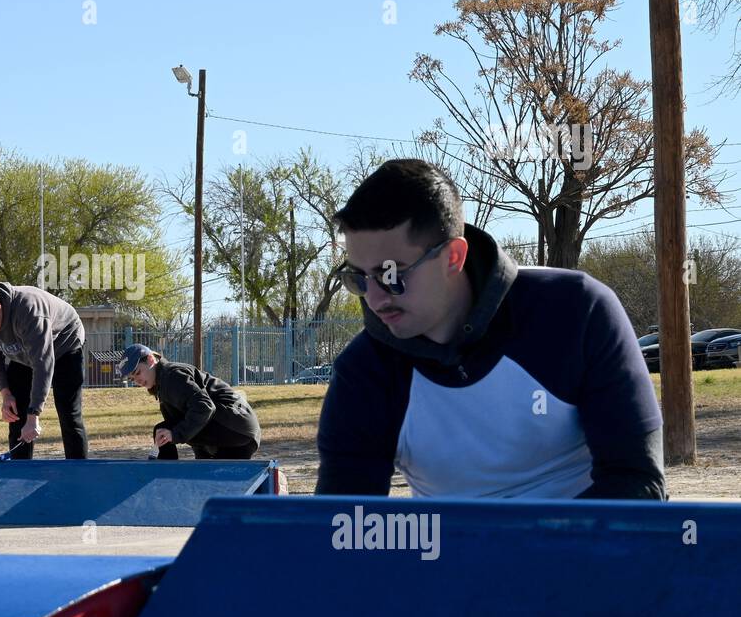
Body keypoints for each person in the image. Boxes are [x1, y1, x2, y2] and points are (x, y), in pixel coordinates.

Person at [315, 158, 665, 499]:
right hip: (446, 552)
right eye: (358, 277)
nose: (374, 299)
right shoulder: (365, 370)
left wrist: (524, 548)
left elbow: (637, 484)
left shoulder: (576, 312)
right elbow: (343, 525)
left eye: (391, 274)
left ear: (453, 256)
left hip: (581, 548)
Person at [0, 275, 88, 459]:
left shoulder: (29, 310)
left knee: (68, 412)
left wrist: (34, 414)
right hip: (24, 354)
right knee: (16, 413)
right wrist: (6, 394)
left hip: (65, 345)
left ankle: (78, 473)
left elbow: (43, 363)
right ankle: (20, 471)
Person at [118, 344, 261, 459]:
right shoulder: (163, 382)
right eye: (132, 379)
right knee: (168, 428)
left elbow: (204, 407)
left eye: (137, 373)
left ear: (150, 360)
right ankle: (170, 474)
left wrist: (175, 434)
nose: (137, 380)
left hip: (235, 427)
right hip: (238, 432)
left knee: (166, 431)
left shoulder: (171, 376)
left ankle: (164, 477)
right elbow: (189, 417)